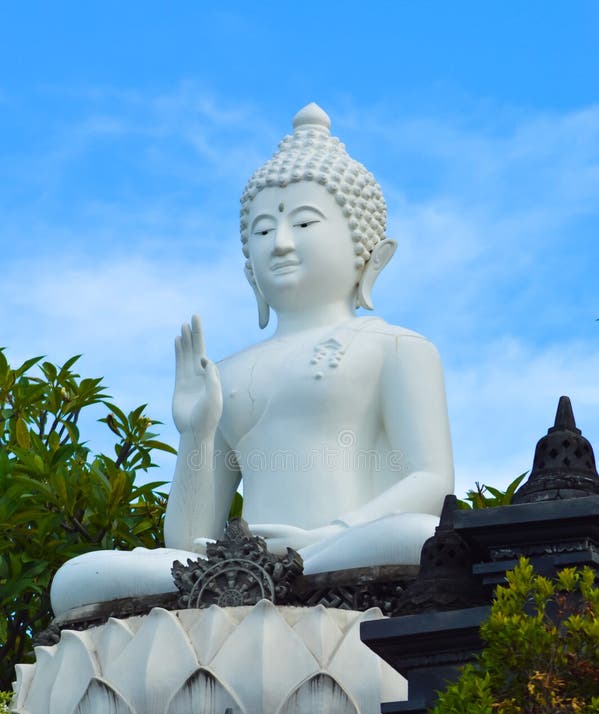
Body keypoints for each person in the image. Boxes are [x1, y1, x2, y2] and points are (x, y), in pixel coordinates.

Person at [51, 103, 453, 616]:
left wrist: (326, 536)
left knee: (417, 535)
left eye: (304, 223)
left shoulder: (396, 347)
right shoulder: (229, 374)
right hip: (237, 571)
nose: (280, 243)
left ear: (368, 252)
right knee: (78, 578)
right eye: (263, 232)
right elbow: (192, 542)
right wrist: (195, 432)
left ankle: (293, 573)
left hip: (342, 552)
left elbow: (431, 482)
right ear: (249, 270)